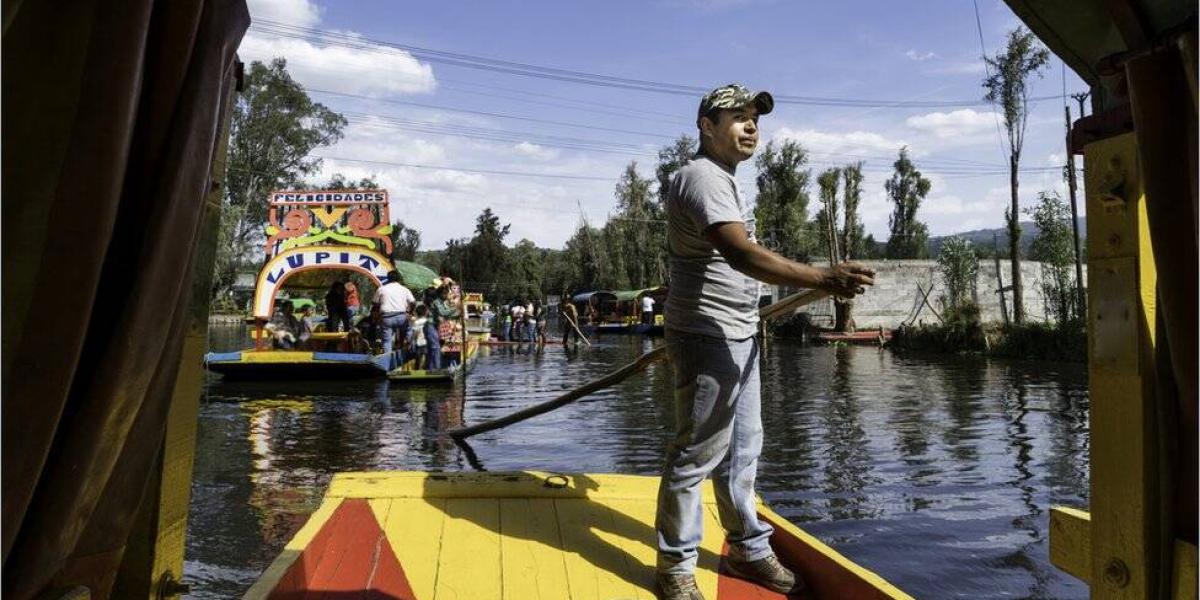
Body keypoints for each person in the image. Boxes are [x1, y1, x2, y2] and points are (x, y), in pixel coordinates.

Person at [654, 84, 875, 600]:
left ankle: (748, 548)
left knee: (743, 450)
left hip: (739, 329)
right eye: (738, 116)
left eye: (755, 117)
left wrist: (809, 283)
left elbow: (743, 255)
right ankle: (675, 566)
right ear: (706, 126)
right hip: (707, 332)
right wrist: (822, 277)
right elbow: (742, 255)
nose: (751, 126)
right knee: (698, 452)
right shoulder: (701, 177)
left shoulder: (723, 180)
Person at [372, 270, 415, 362]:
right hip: (402, 316)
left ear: (388, 278)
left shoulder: (382, 289)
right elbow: (413, 302)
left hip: (387, 318)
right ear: (398, 279)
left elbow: (375, 303)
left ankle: (388, 361)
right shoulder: (404, 289)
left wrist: (377, 314)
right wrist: (409, 312)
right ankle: (409, 352)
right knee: (408, 332)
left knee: (387, 341)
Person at [425, 285, 460, 370]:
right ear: (441, 294)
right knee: (436, 348)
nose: (448, 295)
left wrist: (459, 312)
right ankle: (436, 369)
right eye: (446, 293)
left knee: (433, 349)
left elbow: (449, 314)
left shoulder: (442, 303)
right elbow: (443, 313)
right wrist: (455, 309)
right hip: (430, 326)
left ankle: (430, 368)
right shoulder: (437, 302)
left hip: (435, 326)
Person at [410, 304, 429, 370]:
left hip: (419, 343)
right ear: (425, 313)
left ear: (417, 313)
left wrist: (412, 340)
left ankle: (418, 370)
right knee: (426, 358)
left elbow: (415, 333)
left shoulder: (416, 322)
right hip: (427, 342)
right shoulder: (427, 321)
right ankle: (425, 369)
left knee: (418, 359)